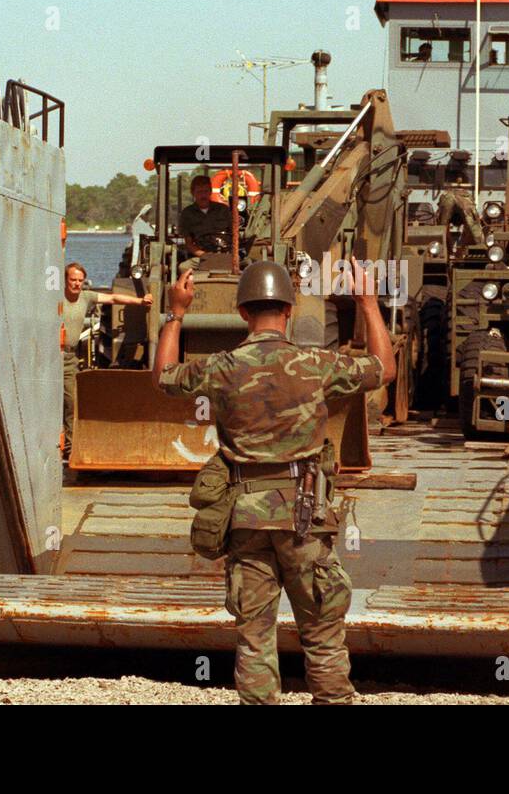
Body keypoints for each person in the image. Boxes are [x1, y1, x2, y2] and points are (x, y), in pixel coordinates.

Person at [154, 259, 395, 704]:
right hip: (306, 518)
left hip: (245, 520)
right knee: (322, 632)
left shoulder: (223, 367)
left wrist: (176, 313)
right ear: (290, 308)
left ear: (242, 312)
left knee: (254, 638)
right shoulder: (315, 364)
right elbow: (383, 369)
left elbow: (165, 377)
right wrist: (367, 303)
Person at [62, 261, 151, 461]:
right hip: (50, 356)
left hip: (69, 358)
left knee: (72, 403)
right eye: (72, 280)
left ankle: (70, 448)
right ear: (65, 280)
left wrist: (140, 301)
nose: (76, 284)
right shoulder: (56, 298)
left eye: (79, 280)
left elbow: (112, 297)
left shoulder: (86, 297)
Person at [177, 175, 233, 273]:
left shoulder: (223, 210)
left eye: (206, 191)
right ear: (193, 193)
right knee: (184, 267)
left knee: (250, 264)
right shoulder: (187, 213)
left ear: (210, 191)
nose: (203, 195)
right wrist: (205, 255)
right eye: (199, 192)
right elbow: (189, 243)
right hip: (201, 257)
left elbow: (234, 235)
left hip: (226, 255)